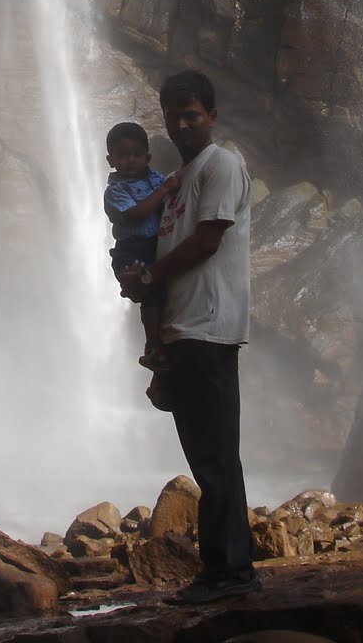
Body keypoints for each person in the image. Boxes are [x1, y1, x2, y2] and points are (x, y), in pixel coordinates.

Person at [119, 69, 258, 605]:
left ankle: (235, 571)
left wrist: (152, 276)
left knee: (218, 453)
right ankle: (219, 568)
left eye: (192, 115)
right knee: (205, 454)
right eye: (173, 117)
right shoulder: (177, 180)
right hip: (182, 330)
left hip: (210, 327)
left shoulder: (221, 165)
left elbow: (206, 241)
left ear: (212, 116)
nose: (181, 125)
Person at [103, 122, 178, 370]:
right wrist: (164, 190)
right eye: (122, 156)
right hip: (131, 250)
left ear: (147, 157)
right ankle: (152, 343)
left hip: (155, 245)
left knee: (163, 293)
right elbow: (137, 214)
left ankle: (162, 344)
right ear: (110, 160)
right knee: (150, 295)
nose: (130, 160)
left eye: (136, 155)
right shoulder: (115, 191)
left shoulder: (156, 177)